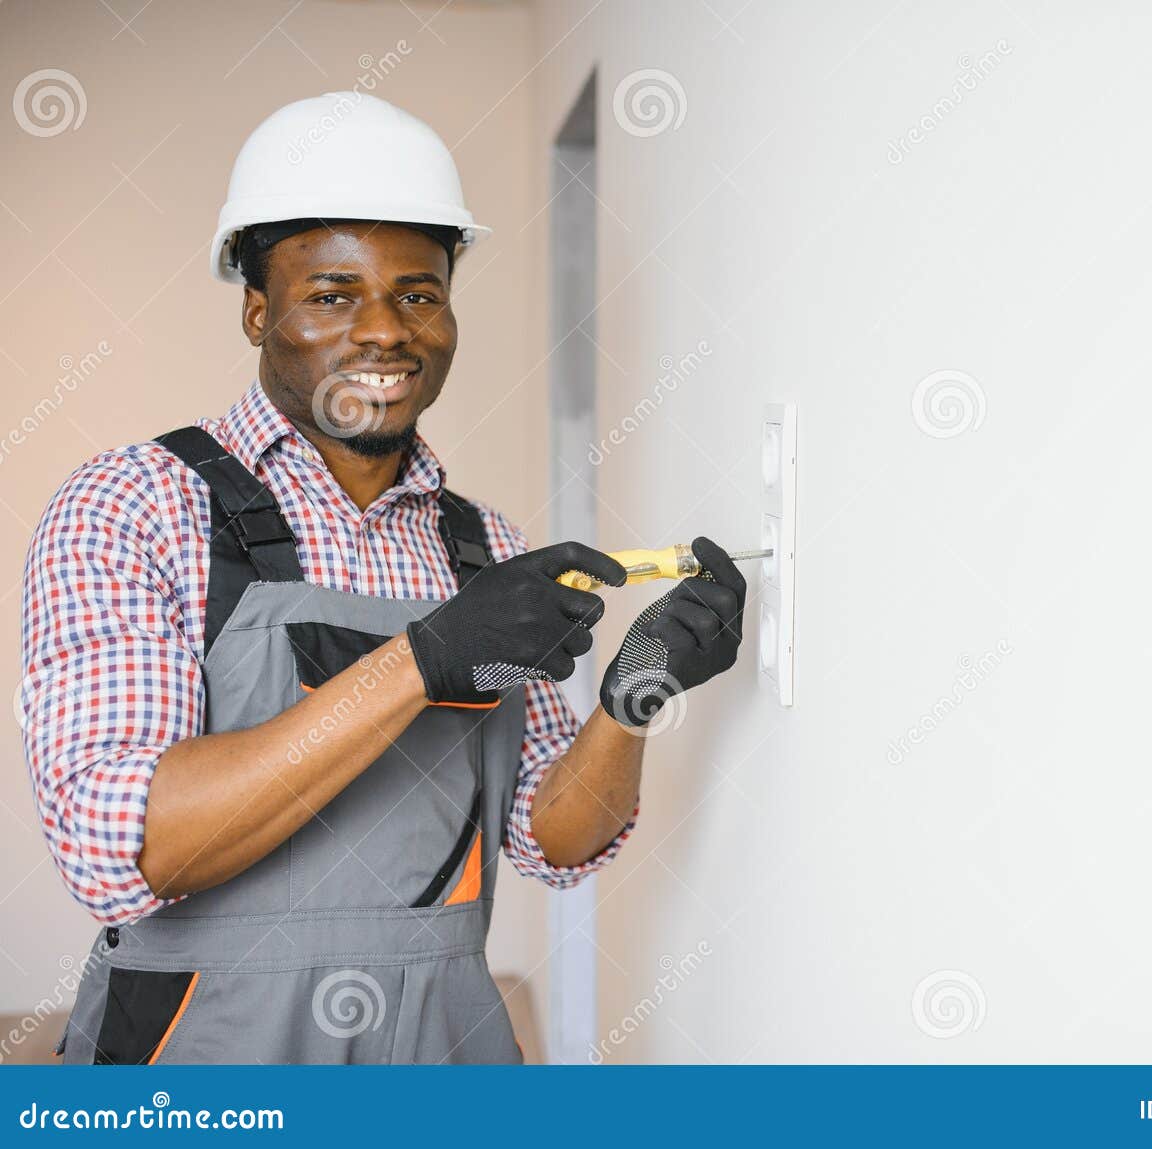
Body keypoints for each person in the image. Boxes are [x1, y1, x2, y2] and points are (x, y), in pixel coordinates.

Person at [19, 92, 746, 1064]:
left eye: (417, 293)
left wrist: (632, 694)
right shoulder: (135, 505)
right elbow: (127, 849)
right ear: (255, 308)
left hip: (444, 1043)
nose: (384, 331)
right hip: (203, 1051)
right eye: (330, 294)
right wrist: (425, 659)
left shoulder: (478, 544)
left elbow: (552, 841)